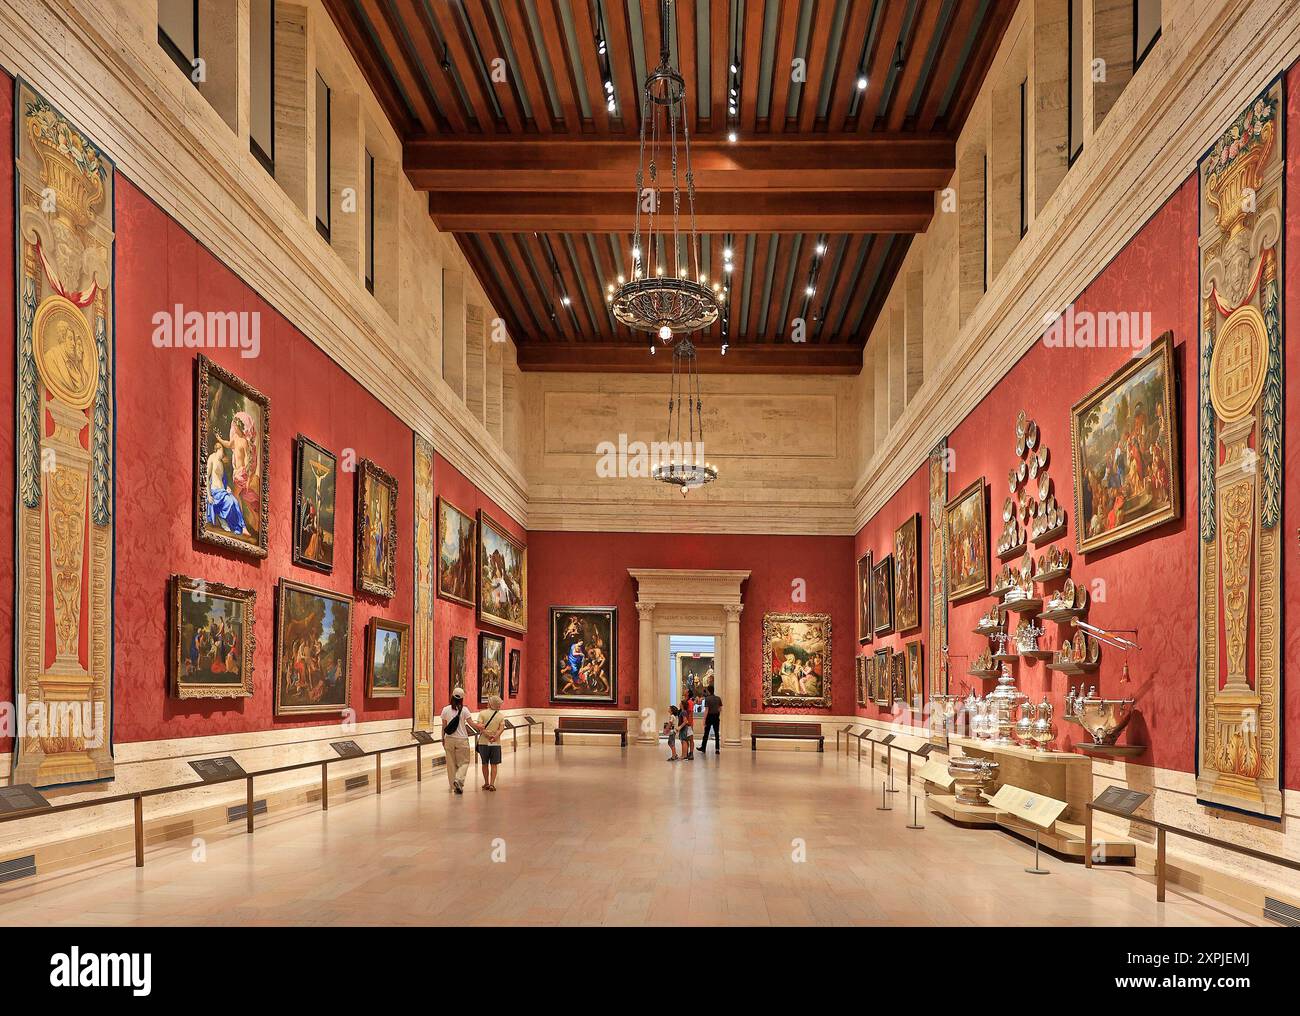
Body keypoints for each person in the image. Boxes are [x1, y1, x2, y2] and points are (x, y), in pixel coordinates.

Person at [440, 687, 477, 794]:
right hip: (462, 740)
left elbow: (444, 726)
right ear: (462, 698)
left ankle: (454, 786)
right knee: (464, 762)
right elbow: (471, 724)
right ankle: (459, 780)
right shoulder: (465, 710)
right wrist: (480, 727)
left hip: (449, 739)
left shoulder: (445, 709)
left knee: (451, 764)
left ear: (452, 696)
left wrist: (442, 739)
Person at [476, 694, 506, 791]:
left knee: (484, 763)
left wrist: (487, 735)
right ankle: (492, 784)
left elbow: (480, 727)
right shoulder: (500, 716)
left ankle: (486, 783)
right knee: (494, 764)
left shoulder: (482, 713)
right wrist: (495, 736)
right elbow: (501, 729)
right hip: (495, 743)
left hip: (483, 742)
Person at [699, 688, 723, 754]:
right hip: (716, 717)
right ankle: (717, 749)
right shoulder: (718, 698)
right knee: (716, 733)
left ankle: (703, 748)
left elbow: (706, 710)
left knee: (706, 733)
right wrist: (717, 713)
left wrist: (704, 719)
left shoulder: (707, 699)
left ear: (708, 691)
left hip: (709, 717)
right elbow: (720, 709)